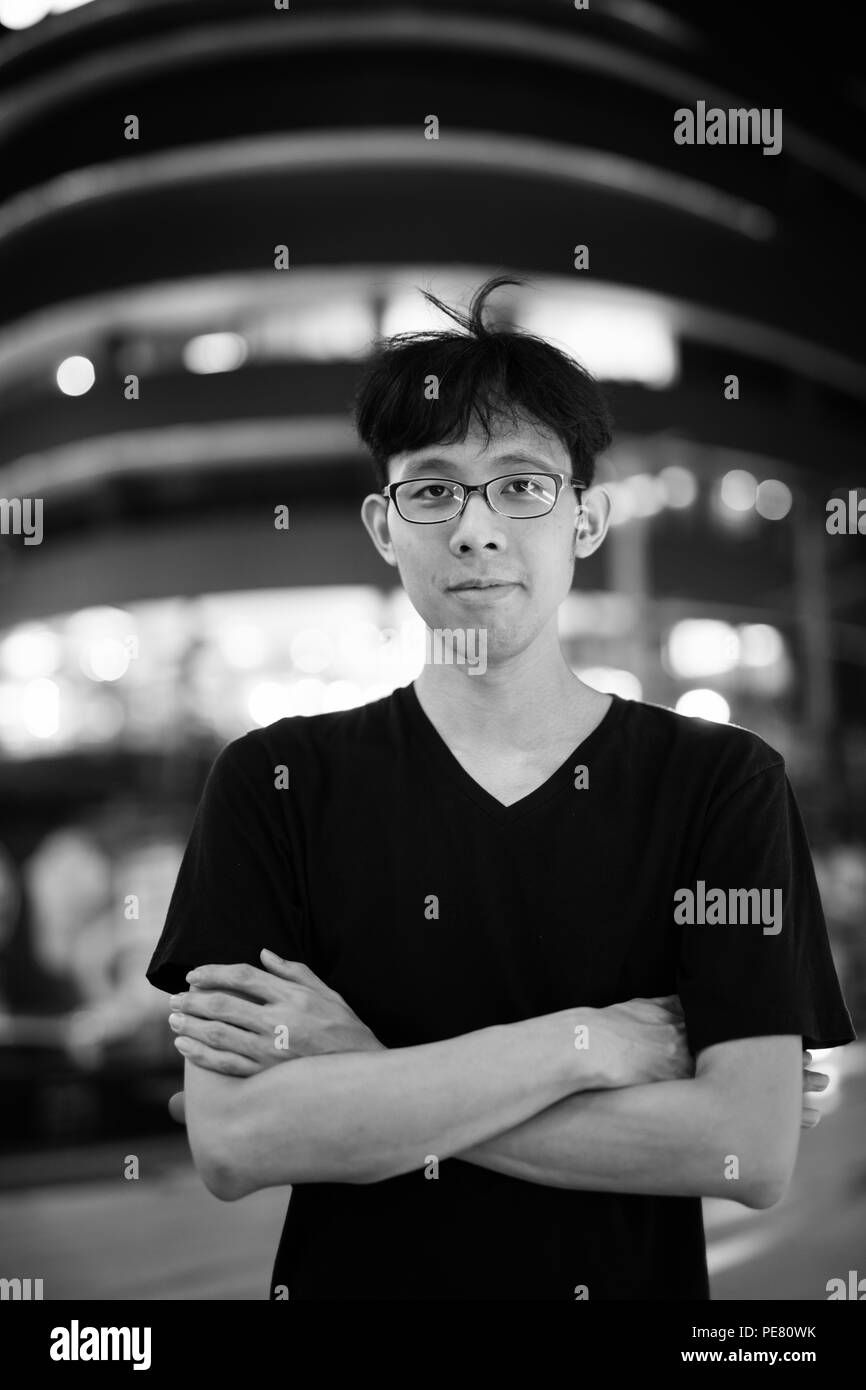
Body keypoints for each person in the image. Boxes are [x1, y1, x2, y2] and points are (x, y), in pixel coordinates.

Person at [146, 275, 856, 1301]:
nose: (475, 529)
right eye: (432, 489)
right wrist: (596, 1043)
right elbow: (237, 1140)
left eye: (521, 484)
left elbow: (744, 1149)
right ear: (383, 526)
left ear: (587, 518)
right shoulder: (275, 782)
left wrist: (365, 1064)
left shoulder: (718, 783)